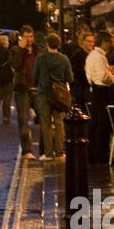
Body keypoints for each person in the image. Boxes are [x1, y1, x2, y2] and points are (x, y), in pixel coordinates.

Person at [34, 32, 73, 161]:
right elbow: (69, 78)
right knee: (59, 122)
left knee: (45, 123)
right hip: (59, 96)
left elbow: (35, 76)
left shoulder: (40, 58)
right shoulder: (64, 59)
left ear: (47, 44)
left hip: (44, 93)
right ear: (59, 45)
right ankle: (60, 152)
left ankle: (48, 153)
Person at [86, 31, 114, 165]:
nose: (111, 45)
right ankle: (101, 156)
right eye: (109, 42)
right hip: (101, 92)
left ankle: (93, 154)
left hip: (94, 91)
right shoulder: (100, 57)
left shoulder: (91, 56)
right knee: (102, 125)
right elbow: (102, 77)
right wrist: (112, 77)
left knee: (95, 124)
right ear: (104, 42)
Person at [9, 25, 36, 161]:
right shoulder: (15, 50)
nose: (29, 40)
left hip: (37, 89)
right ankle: (27, 150)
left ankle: (46, 151)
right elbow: (16, 65)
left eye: (31, 36)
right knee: (24, 121)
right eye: (26, 37)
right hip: (22, 89)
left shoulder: (37, 50)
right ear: (21, 37)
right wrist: (21, 49)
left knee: (45, 120)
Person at [69, 29, 93, 106]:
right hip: (82, 90)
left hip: (93, 89)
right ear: (83, 42)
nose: (91, 43)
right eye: (89, 41)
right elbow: (74, 72)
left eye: (92, 41)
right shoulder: (77, 55)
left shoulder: (95, 55)